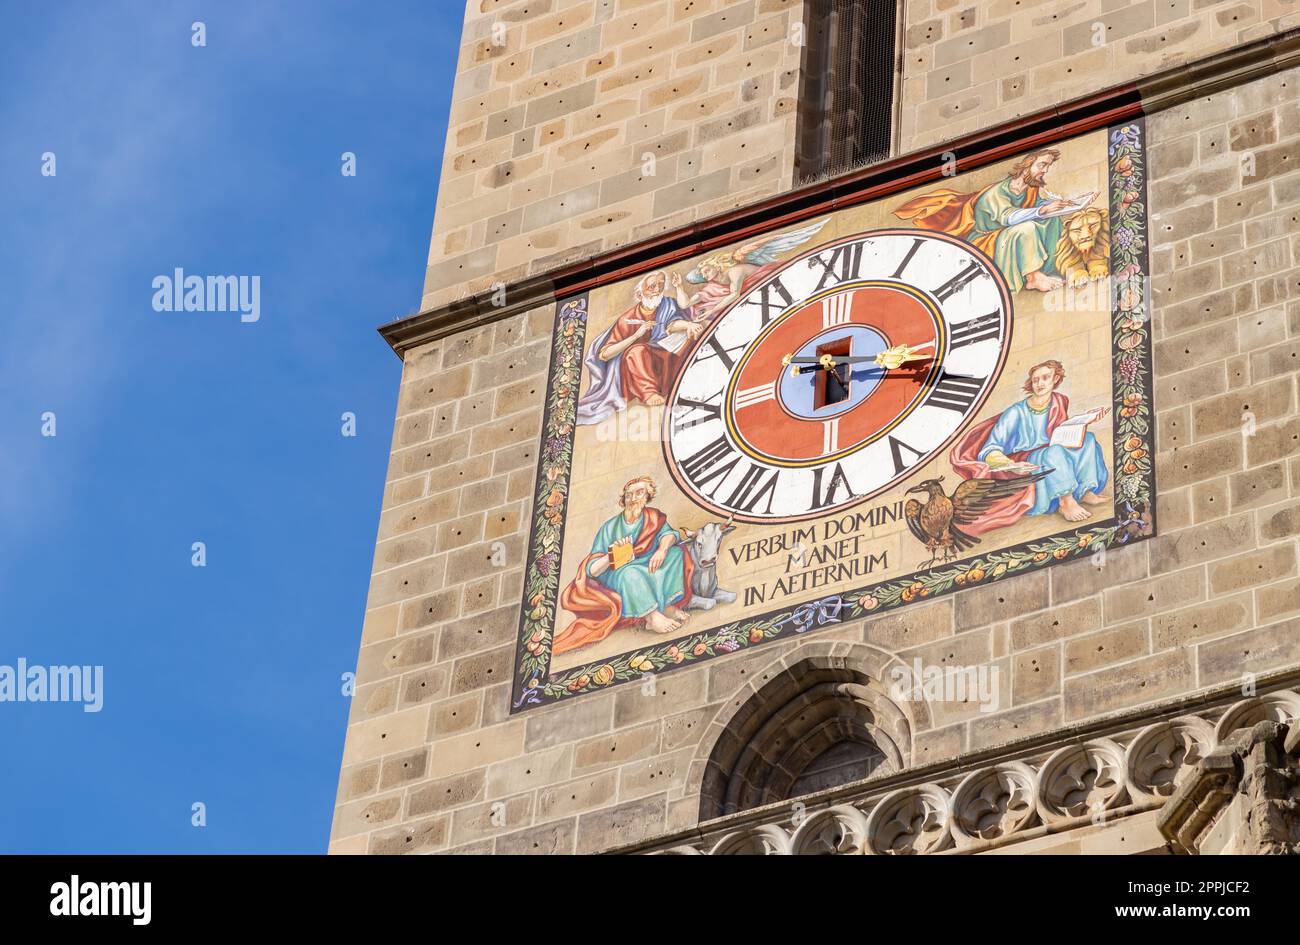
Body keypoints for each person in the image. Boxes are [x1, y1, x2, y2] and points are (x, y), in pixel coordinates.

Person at [894, 148, 1096, 292]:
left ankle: (1056, 267)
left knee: (1051, 221)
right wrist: (1042, 210)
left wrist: (1073, 204)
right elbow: (1009, 217)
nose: (1044, 171)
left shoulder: (1031, 191)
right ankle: (1033, 277)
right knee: (1026, 229)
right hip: (986, 244)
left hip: (1003, 238)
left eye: (1047, 167)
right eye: (1042, 165)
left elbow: (1046, 205)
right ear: (1026, 166)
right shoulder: (996, 193)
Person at [949, 359, 1110, 529]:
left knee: (1088, 439)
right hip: (1025, 460)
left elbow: (1059, 431)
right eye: (1035, 380)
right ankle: (1066, 501)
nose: (1040, 383)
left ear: (1056, 378)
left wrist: (1085, 420)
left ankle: (1084, 491)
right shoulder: (1015, 412)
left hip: (1052, 448)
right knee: (1053, 452)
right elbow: (989, 450)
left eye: (1045, 378)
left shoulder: (1059, 400)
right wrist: (1011, 465)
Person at [554, 476, 693, 654]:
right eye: (629, 495)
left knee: (675, 553)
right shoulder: (610, 528)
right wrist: (612, 557)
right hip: (617, 574)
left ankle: (666, 605)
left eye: (639, 493)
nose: (633, 498)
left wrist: (661, 550)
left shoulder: (651, 517)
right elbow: (592, 569)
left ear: (647, 496)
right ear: (623, 499)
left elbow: (670, 534)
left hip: (645, 562)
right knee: (630, 572)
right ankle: (652, 616)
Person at [575, 271, 700, 423]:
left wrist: (688, 324)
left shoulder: (667, 304)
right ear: (640, 295)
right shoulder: (627, 320)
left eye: (660, 286)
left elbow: (672, 323)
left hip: (666, 360)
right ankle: (649, 393)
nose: (657, 290)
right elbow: (605, 354)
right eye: (651, 287)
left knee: (690, 335)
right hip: (640, 369)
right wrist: (635, 336)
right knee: (636, 352)